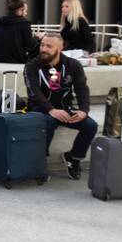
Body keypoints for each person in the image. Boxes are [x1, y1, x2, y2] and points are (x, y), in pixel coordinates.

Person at [24, 33, 98, 180]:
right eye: (42, 45)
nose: (43, 49)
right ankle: (38, 163)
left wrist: (84, 110)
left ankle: (73, 158)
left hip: (64, 108)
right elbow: (34, 93)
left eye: (49, 46)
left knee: (90, 125)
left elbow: (82, 89)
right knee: (48, 122)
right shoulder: (31, 66)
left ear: (60, 48)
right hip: (39, 109)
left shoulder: (73, 65)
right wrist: (51, 110)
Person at [0, 0, 39, 64]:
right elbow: (29, 44)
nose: (26, 13)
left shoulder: (0, 21)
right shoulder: (24, 23)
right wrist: (38, 37)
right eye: (25, 11)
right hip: (15, 59)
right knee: (42, 46)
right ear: (21, 10)